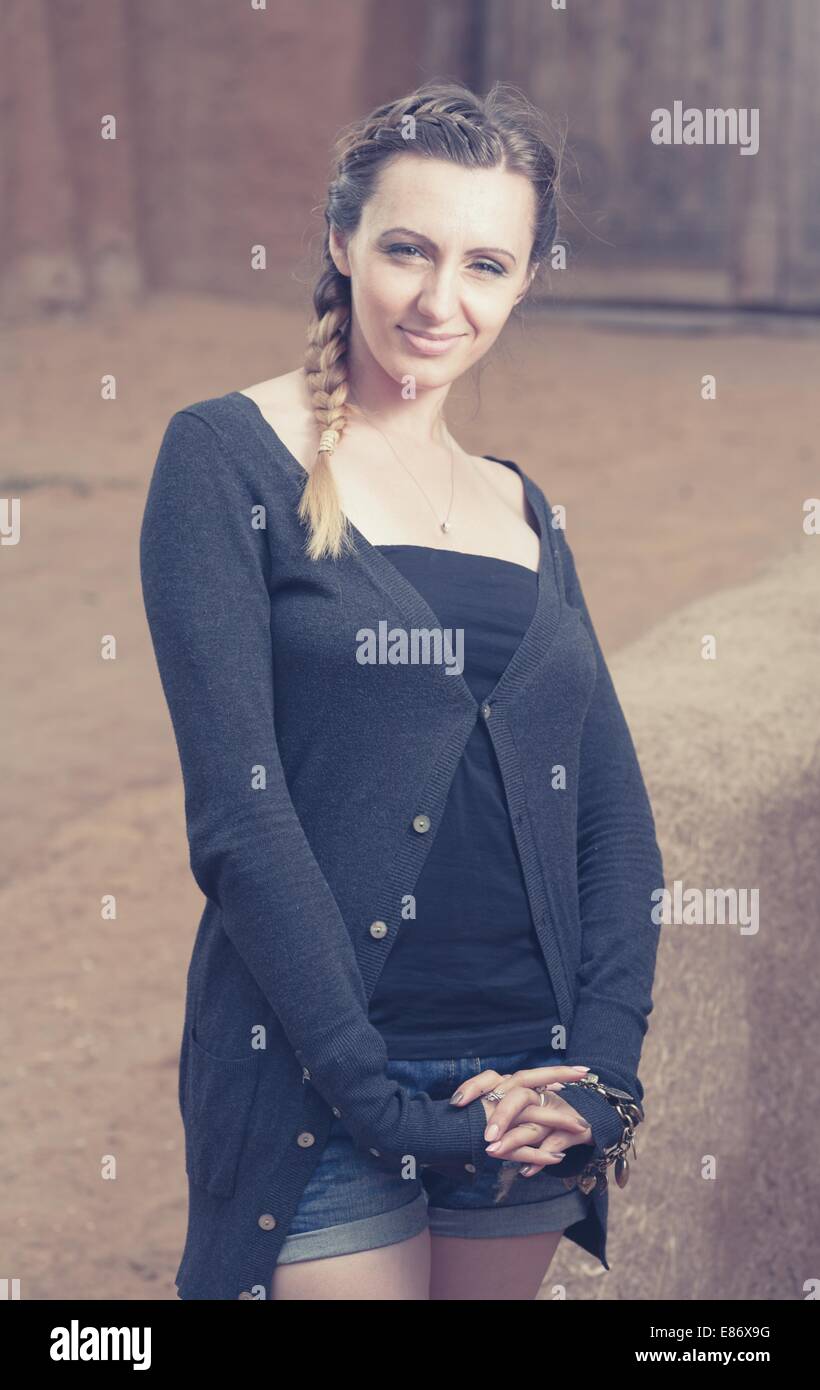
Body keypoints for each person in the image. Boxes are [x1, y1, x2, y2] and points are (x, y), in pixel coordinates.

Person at [139, 79, 664, 1301]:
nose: (441, 301)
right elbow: (240, 814)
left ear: (525, 279)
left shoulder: (523, 507)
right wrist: (375, 1093)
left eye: (486, 263)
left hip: (523, 1084)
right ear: (340, 242)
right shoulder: (225, 460)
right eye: (408, 251)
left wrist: (599, 1073)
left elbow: (611, 824)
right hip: (319, 1080)